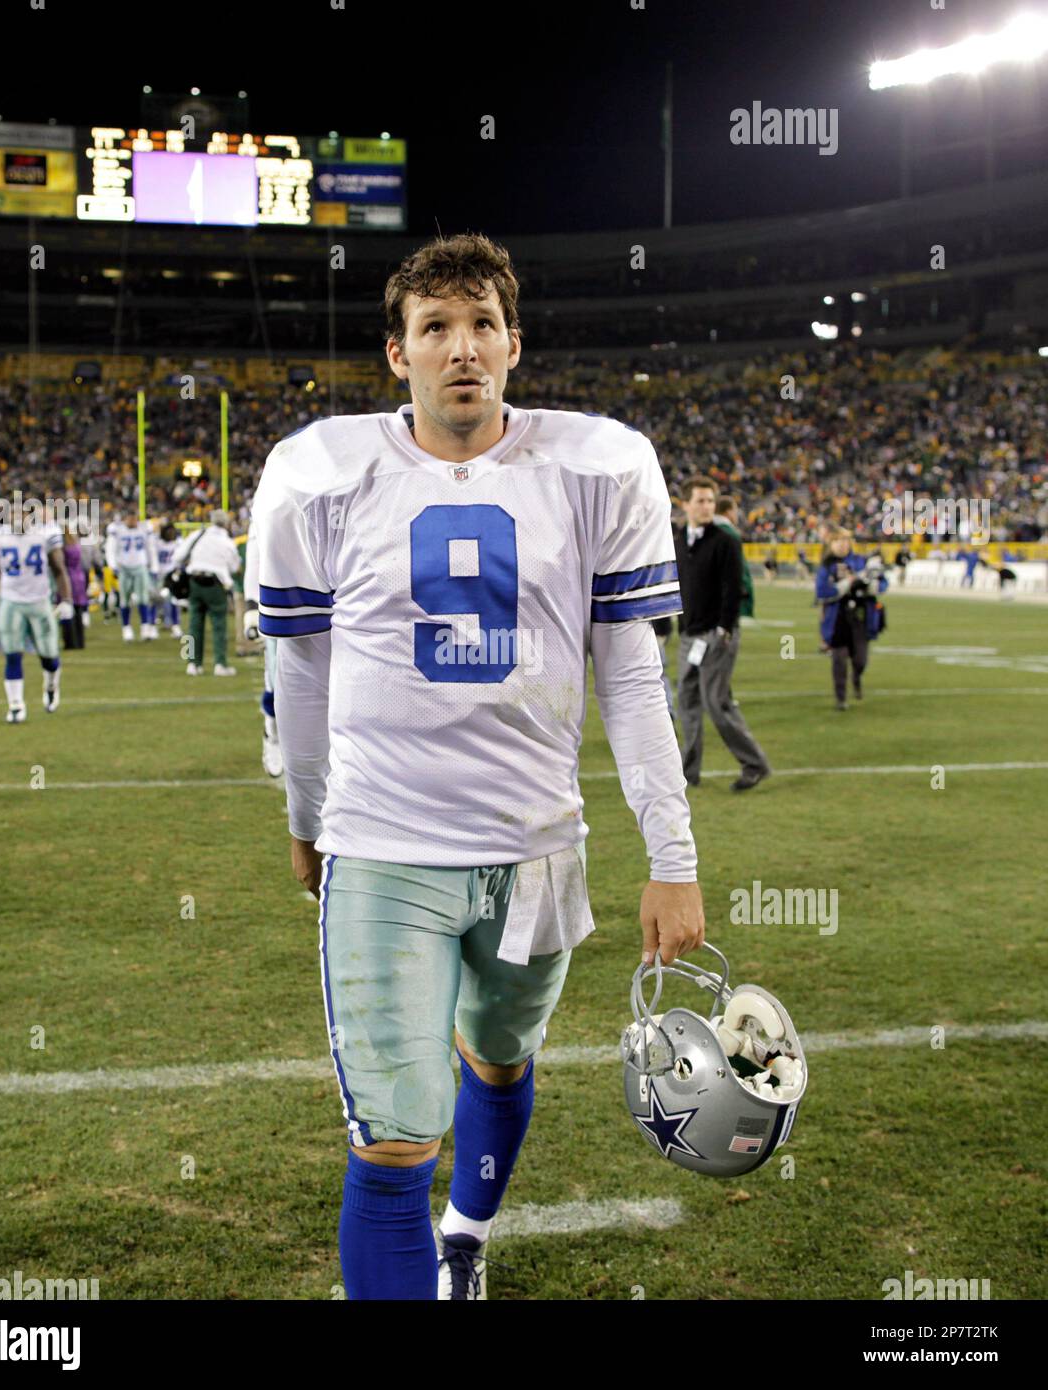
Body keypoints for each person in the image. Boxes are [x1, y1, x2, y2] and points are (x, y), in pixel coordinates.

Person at [252, 232, 704, 1302]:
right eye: (435, 327)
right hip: (383, 845)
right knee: (394, 1139)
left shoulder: (596, 468)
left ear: (514, 346)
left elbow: (633, 683)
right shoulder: (322, 475)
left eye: (482, 325)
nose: (462, 347)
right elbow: (300, 674)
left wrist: (672, 854)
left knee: (499, 1061)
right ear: (397, 355)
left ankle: (468, 1233)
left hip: (537, 850)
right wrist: (306, 815)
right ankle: (430, 1230)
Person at [673, 476, 771, 791]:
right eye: (700, 500)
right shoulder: (677, 538)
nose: (707, 507)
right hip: (689, 635)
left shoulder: (725, 539)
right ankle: (687, 773)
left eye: (711, 501)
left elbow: (734, 588)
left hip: (717, 635)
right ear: (685, 504)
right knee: (686, 701)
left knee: (716, 703)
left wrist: (724, 629)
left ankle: (754, 764)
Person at [0, 515, 73, 721]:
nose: (17, 518)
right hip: (11, 602)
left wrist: (66, 600)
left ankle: (52, 684)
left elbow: (59, 570)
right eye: (13, 513)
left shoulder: (45, 534)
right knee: (12, 654)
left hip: (39, 601)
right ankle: (16, 706)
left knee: (49, 655)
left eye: (22, 513)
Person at [815, 529, 888, 709]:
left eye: (845, 540)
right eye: (838, 541)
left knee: (860, 659)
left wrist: (871, 585)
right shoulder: (827, 565)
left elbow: (882, 582)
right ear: (831, 544)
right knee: (839, 658)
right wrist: (847, 584)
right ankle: (841, 698)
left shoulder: (861, 561)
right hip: (838, 616)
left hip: (861, 615)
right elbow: (822, 591)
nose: (842, 544)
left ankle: (856, 676)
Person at [171, 509, 241, 676]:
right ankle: (220, 664)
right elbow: (234, 567)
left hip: (194, 581)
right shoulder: (227, 542)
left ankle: (193, 664)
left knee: (194, 624)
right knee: (218, 625)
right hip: (215, 584)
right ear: (226, 523)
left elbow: (178, 556)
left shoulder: (198, 535)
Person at [242, 514, 282, 776]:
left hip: (333, 601)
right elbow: (256, 551)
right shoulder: (274, 496)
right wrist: (252, 603)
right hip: (283, 602)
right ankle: (273, 733)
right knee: (276, 675)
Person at [105, 513, 158, 640]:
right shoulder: (117, 529)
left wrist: (154, 566)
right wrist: (113, 566)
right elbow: (110, 549)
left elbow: (150, 548)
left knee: (143, 599)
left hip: (140, 567)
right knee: (125, 599)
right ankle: (126, 628)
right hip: (123, 568)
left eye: (135, 519)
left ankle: (145, 627)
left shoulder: (144, 528)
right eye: (130, 518)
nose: (133, 521)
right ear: (125, 519)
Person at [715, 495, 754, 618]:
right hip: (726, 600)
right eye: (735, 510)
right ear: (728, 511)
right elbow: (739, 570)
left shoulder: (705, 529)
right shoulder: (730, 533)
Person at [59, 526, 88, 649]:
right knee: (78, 611)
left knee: (67, 611)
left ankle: (70, 642)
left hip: (68, 578)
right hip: (79, 577)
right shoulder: (76, 544)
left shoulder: (63, 546)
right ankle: (80, 642)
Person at [155, 522, 183, 637]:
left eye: (172, 532)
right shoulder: (157, 543)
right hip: (158, 575)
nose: (171, 534)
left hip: (172, 576)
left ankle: (175, 625)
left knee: (173, 601)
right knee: (155, 601)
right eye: (169, 532)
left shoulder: (178, 543)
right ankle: (153, 625)